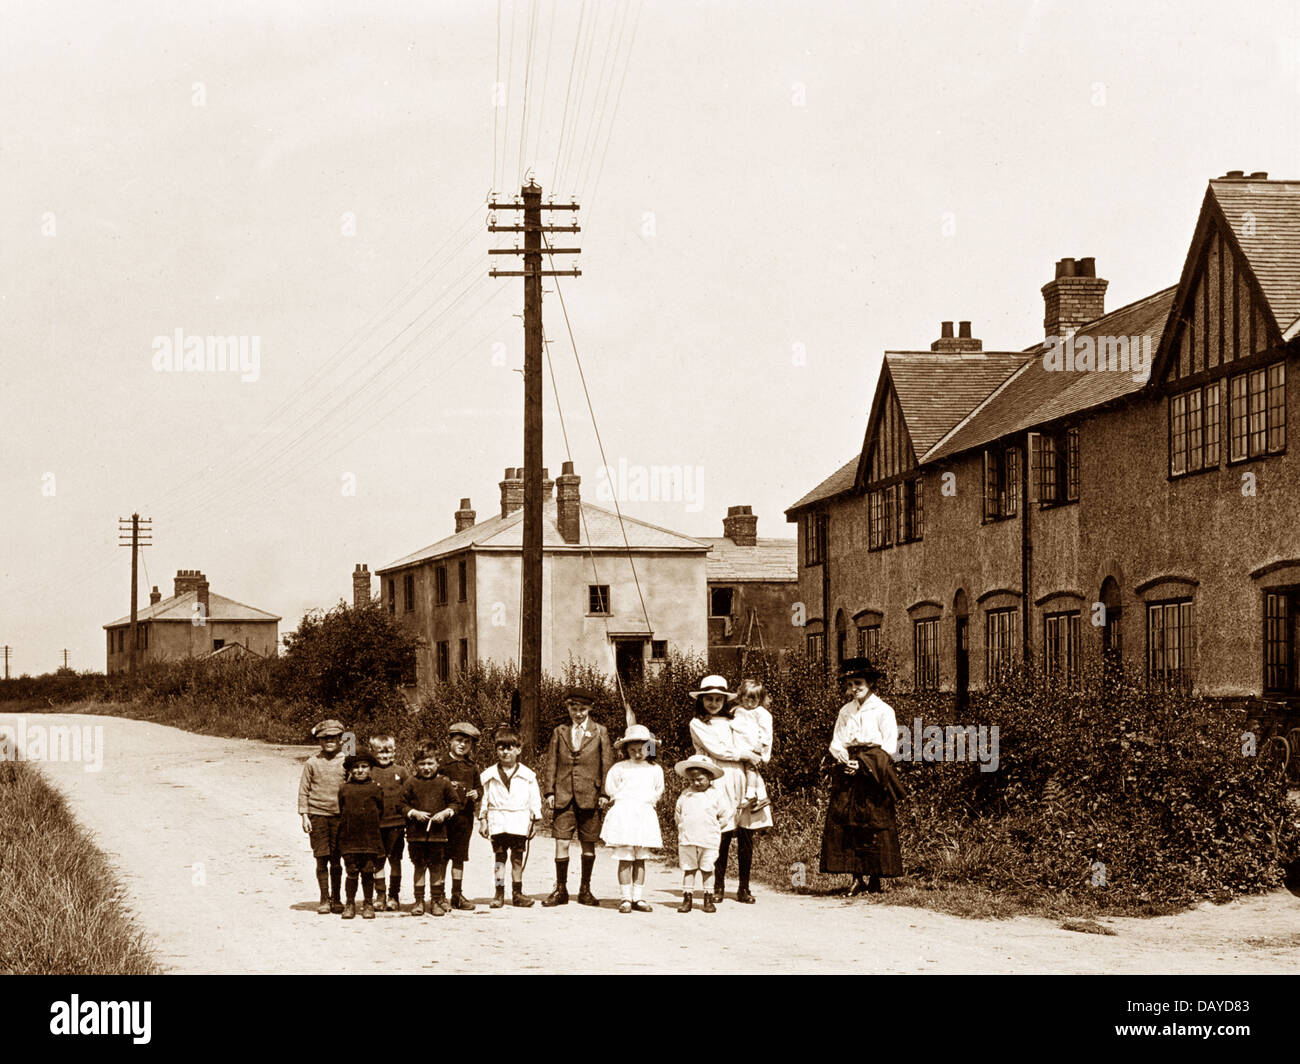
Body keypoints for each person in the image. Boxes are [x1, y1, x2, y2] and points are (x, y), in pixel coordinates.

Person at [820, 657, 906, 895]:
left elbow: (889, 746)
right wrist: (843, 759)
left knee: (874, 823)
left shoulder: (883, 710)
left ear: (870, 683)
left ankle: (876, 877)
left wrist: (863, 764)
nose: (853, 689)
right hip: (849, 768)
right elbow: (837, 741)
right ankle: (856, 877)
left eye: (858, 683)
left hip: (874, 769)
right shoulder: (845, 711)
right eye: (849, 684)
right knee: (849, 823)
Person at [688, 675, 763, 904]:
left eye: (718, 699)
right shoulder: (698, 723)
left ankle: (744, 887)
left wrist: (755, 753)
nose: (713, 703)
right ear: (701, 701)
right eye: (708, 699)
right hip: (717, 776)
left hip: (740, 774)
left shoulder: (733, 720)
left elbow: (752, 739)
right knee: (721, 832)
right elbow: (718, 750)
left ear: (724, 700)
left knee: (745, 832)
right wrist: (746, 754)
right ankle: (717, 885)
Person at [540, 687, 614, 906]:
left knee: (588, 843)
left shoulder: (600, 731)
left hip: (590, 796)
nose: (578, 713)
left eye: (582, 709)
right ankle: (561, 889)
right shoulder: (559, 731)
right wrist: (550, 791)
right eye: (574, 708)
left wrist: (604, 793)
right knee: (561, 842)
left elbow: (606, 763)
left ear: (590, 708)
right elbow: (551, 762)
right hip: (563, 795)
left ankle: (585, 889)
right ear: (568, 707)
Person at [601, 724, 664, 913]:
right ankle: (625, 898)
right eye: (633, 750)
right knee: (626, 857)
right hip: (625, 815)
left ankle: (638, 897)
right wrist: (624, 802)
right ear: (626, 750)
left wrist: (647, 802)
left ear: (649, 749)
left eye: (642, 749)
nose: (637, 753)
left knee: (640, 858)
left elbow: (658, 790)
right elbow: (611, 789)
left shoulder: (654, 769)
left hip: (644, 815)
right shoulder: (619, 768)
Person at [478, 729, 543, 908]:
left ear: (518, 750)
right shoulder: (489, 775)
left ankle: (517, 893)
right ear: (496, 750)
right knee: (500, 859)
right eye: (501, 748)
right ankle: (499, 893)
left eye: (510, 747)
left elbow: (534, 799)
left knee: (516, 858)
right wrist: (483, 819)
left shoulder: (528, 775)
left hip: (519, 821)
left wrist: (535, 821)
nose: (505, 752)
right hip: (498, 820)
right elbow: (485, 799)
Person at [396, 741, 459, 916]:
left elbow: (455, 803)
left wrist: (445, 813)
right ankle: (419, 901)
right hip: (416, 835)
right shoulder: (411, 782)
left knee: (436, 867)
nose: (426, 767)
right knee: (419, 866)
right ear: (416, 765)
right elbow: (400, 804)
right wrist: (413, 813)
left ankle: (436, 900)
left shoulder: (444, 783)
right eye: (422, 763)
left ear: (437, 763)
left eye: (430, 763)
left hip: (438, 835)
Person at [297, 718, 349, 915]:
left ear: (341, 739)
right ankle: (324, 898)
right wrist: (304, 816)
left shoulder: (346, 761)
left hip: (339, 816)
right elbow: (304, 790)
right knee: (321, 859)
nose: (329, 741)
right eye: (325, 738)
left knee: (337, 859)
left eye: (333, 737)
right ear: (319, 741)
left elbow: (352, 789)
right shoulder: (312, 763)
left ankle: (337, 898)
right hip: (318, 815)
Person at [435, 722, 483, 912]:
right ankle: (439, 894)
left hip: (464, 818)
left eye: (467, 743)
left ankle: (457, 894)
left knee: (459, 856)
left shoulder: (472, 767)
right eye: (459, 741)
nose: (462, 745)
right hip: (445, 817)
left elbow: (479, 787)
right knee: (442, 856)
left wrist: (476, 794)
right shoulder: (441, 765)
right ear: (450, 741)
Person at [672, 754, 729, 913]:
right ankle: (687, 898)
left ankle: (708, 899)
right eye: (692, 780)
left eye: (700, 779)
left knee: (707, 869)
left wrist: (715, 827)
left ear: (710, 777)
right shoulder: (685, 794)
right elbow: (678, 814)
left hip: (708, 839)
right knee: (689, 869)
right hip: (688, 839)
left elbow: (725, 815)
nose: (696, 783)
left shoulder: (716, 794)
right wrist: (683, 826)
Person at [337, 751, 385, 920]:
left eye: (364, 766)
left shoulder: (376, 788)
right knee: (351, 872)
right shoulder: (344, 789)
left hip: (370, 838)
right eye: (355, 767)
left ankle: (368, 903)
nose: (360, 770)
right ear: (350, 770)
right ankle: (350, 903)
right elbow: (341, 809)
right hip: (350, 838)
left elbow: (380, 810)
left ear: (370, 768)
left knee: (367, 871)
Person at [367, 734, 408, 912]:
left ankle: (394, 895)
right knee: (378, 860)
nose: (384, 756)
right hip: (376, 825)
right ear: (372, 752)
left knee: (395, 859)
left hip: (397, 824)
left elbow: (409, 796)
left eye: (388, 752)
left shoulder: (401, 771)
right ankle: (380, 894)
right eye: (380, 753)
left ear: (394, 752)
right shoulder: (369, 771)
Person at [731, 679, 774, 818]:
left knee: (751, 768)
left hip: (753, 745)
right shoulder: (737, 710)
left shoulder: (761, 713)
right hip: (741, 745)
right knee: (747, 770)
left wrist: (760, 745)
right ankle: (761, 797)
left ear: (760, 700)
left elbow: (767, 732)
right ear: (741, 698)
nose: (749, 704)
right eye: (746, 700)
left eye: (753, 701)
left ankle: (750, 795)